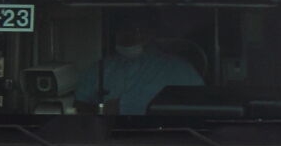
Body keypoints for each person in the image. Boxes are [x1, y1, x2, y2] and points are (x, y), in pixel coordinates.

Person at [72, 20, 203, 114]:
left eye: (137, 30)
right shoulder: (99, 69)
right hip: (107, 141)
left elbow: (201, 108)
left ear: (151, 32)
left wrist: (124, 106)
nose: (129, 36)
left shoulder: (180, 69)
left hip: (167, 141)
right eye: (123, 30)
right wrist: (101, 110)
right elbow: (79, 107)